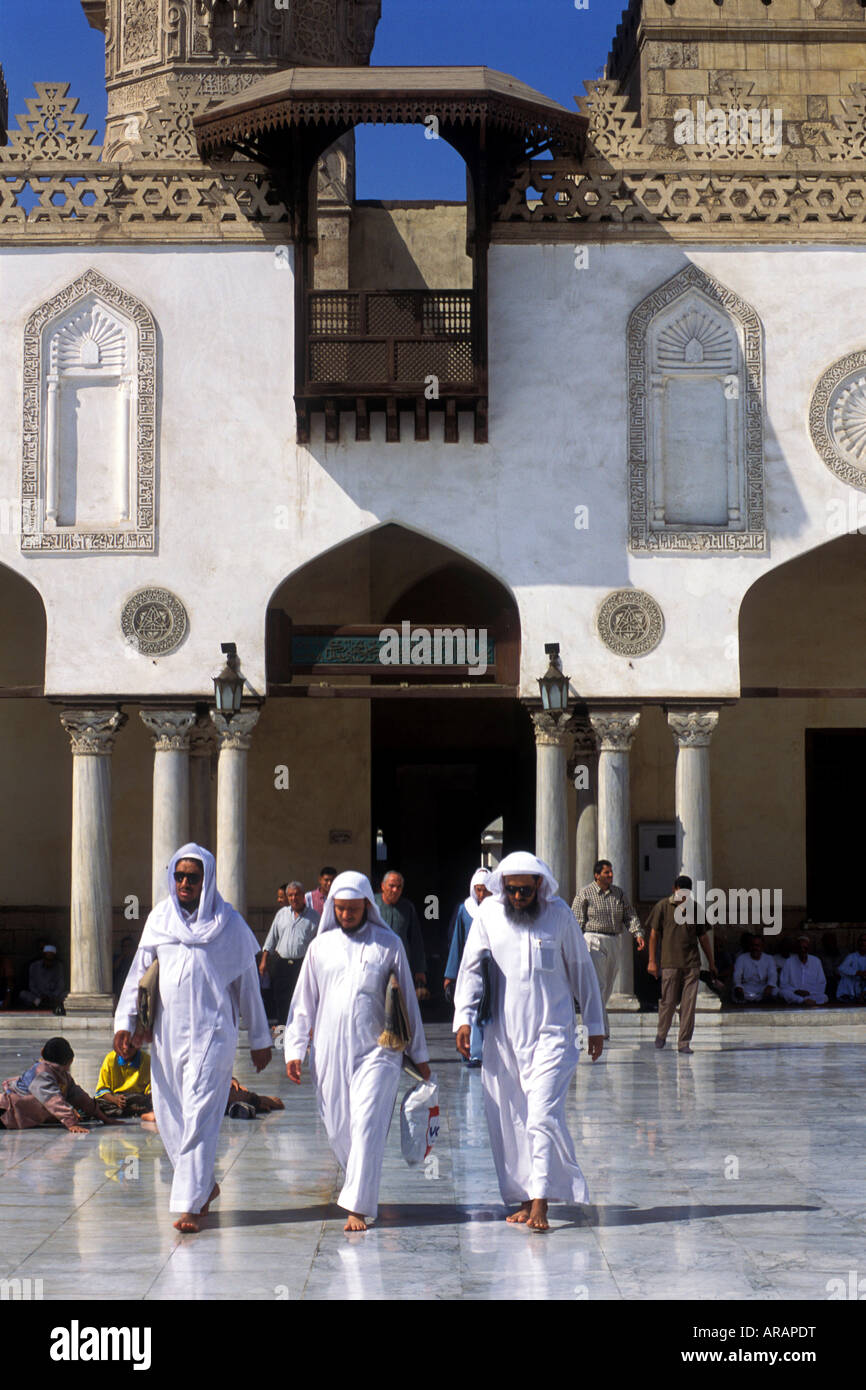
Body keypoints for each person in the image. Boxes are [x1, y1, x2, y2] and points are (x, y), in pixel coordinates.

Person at [115, 843, 272, 1233]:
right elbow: (139, 975)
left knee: (201, 1113)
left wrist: (259, 1038)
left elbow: (247, 984)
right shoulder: (159, 921)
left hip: (213, 1032)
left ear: (207, 880)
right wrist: (125, 1022)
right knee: (170, 1114)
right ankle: (203, 1186)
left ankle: (188, 1204)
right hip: (166, 1034)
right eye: (180, 876)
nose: (185, 883)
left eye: (193, 877)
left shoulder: (230, 925)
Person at [453, 851, 604, 1232]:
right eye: (512, 890)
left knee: (541, 1115)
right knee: (513, 1119)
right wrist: (463, 1018)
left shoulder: (559, 916)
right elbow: (470, 969)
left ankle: (540, 1201)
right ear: (502, 887)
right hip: (503, 1039)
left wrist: (595, 1023)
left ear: (540, 886)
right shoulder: (488, 916)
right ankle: (524, 1196)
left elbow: (582, 968)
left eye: (525, 890)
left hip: (553, 1035)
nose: (518, 897)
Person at [284, 870, 430, 1233]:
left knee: (366, 1124)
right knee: (338, 1128)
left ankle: (358, 1208)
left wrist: (421, 1056)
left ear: (367, 905)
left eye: (353, 908)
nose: (346, 915)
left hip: (379, 1051)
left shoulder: (388, 943)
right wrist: (294, 1048)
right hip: (330, 1051)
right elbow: (303, 1003)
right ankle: (359, 1185)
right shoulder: (320, 947)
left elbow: (407, 1000)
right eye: (341, 909)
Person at [646, 875, 720, 1052]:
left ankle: (684, 1042)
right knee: (668, 1002)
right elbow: (654, 935)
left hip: (691, 964)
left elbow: (703, 938)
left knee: (688, 1005)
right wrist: (651, 961)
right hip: (670, 963)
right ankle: (662, 1033)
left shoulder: (696, 909)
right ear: (674, 889)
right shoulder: (663, 906)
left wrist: (711, 962)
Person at [572, 860, 645, 1038]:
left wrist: (638, 933)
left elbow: (629, 915)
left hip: (614, 940)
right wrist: (575, 944)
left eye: (611, 872)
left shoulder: (619, 894)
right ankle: (600, 1028)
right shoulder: (585, 893)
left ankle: (594, 1020)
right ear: (597, 875)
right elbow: (576, 920)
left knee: (608, 985)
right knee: (598, 984)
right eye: (606, 873)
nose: (610, 875)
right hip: (593, 939)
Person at [0, 1037, 121, 1133]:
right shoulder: (41, 1073)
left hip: (19, 1116)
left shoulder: (62, 1075)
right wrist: (71, 1122)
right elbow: (53, 1100)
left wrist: (102, 1116)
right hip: (6, 1112)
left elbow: (78, 1095)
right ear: (69, 1061)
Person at [443, 868, 491, 1066]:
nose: (481, 895)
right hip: (469, 967)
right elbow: (457, 941)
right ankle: (471, 1051)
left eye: (484, 890)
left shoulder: (498, 909)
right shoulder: (465, 909)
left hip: (491, 968)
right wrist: (450, 974)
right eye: (478, 890)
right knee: (469, 1008)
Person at [259, 881, 320, 1023]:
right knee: (281, 1000)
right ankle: (282, 1033)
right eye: (290, 895)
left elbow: (318, 944)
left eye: (297, 894)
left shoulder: (314, 917)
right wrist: (263, 961)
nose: (294, 898)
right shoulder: (281, 914)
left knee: (302, 1000)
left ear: (303, 896)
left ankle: (300, 1033)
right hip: (281, 964)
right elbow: (271, 939)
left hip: (302, 964)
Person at [375, 870, 428, 997]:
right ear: (383, 886)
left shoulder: (407, 907)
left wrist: (419, 969)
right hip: (376, 962)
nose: (395, 890)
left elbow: (416, 939)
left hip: (401, 964)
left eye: (399, 887)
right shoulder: (372, 904)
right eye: (391, 886)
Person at [95, 1031, 155, 1119]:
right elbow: (101, 1091)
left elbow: (150, 1090)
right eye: (121, 1045)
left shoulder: (146, 1060)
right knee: (96, 1105)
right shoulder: (110, 1059)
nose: (125, 1049)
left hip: (137, 1098)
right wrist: (115, 1100)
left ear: (138, 1045)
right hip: (115, 1098)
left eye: (130, 1046)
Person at [778, 934, 827, 1007]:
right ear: (796, 949)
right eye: (800, 948)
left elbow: (822, 983)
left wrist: (809, 992)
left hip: (811, 994)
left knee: (824, 997)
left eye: (805, 948)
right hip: (794, 994)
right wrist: (796, 991)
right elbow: (783, 984)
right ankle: (803, 1001)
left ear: (809, 949)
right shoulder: (789, 962)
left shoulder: (816, 961)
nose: (802, 950)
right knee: (782, 992)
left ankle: (807, 1001)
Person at [19, 943, 67, 1014]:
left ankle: (51, 1004)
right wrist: (40, 995)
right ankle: (41, 1005)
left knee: (67, 994)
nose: (49, 962)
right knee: (23, 994)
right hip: (39, 997)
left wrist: (53, 995)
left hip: (54, 997)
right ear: (43, 957)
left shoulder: (59, 966)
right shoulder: (34, 966)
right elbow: (32, 985)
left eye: (51, 960)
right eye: (47, 959)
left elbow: (61, 985)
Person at [731, 934, 778, 1005]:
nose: (755, 948)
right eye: (753, 945)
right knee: (736, 992)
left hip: (762, 988)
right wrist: (738, 986)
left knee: (775, 990)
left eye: (757, 945)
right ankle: (757, 1000)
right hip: (747, 987)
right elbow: (737, 974)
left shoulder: (769, 958)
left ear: (762, 947)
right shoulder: (742, 958)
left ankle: (758, 1000)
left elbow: (773, 974)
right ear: (750, 946)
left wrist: (769, 986)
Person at [836, 933, 866, 1003]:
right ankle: (847, 996)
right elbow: (841, 968)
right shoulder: (852, 956)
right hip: (854, 984)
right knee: (845, 977)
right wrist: (858, 973)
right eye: (861, 940)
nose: (863, 943)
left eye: (865, 941)